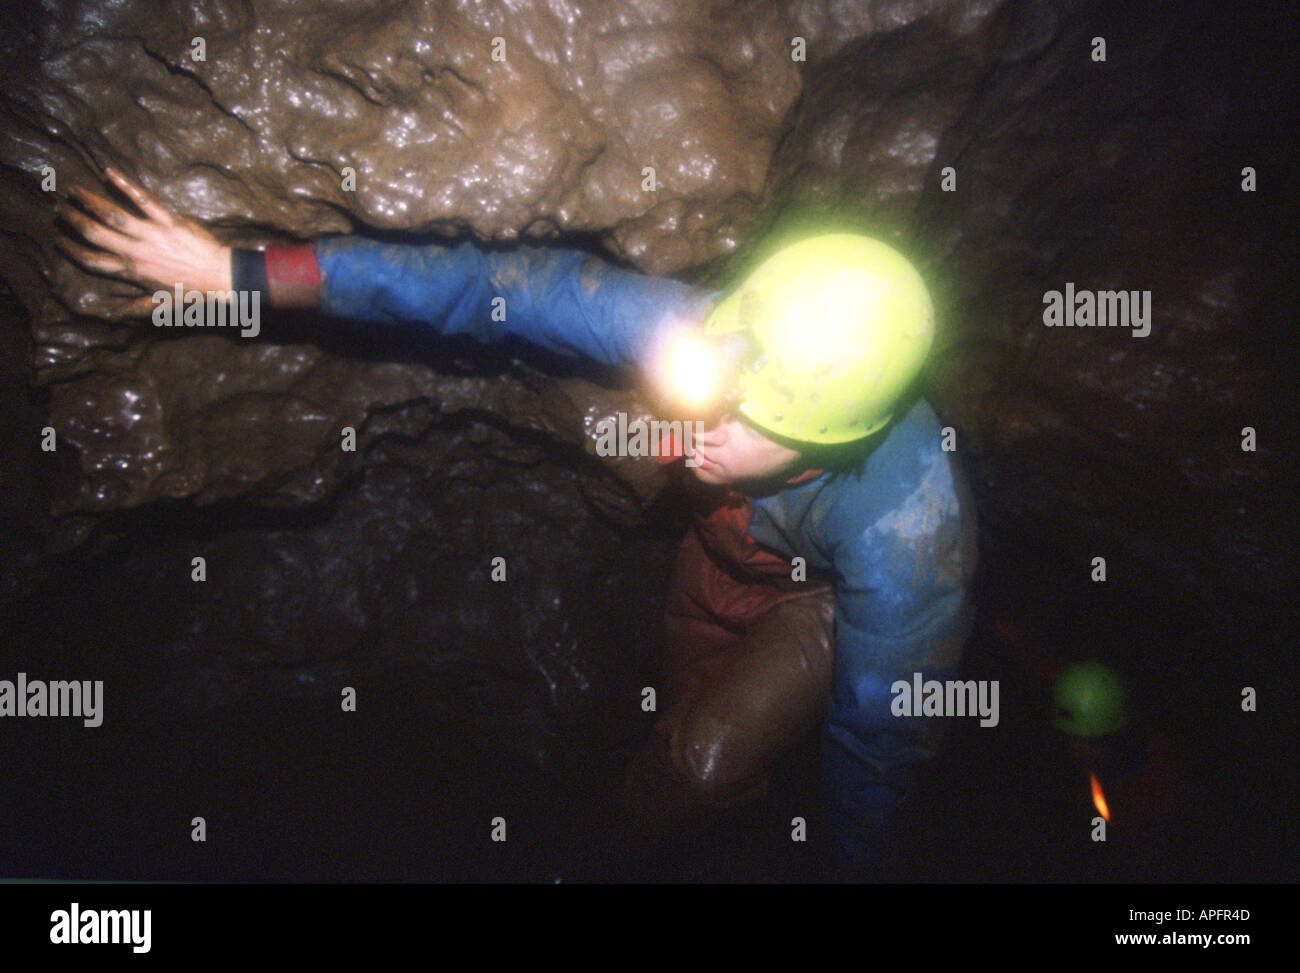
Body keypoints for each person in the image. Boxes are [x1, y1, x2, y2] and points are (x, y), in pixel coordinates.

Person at [57, 166, 978, 880]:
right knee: (683, 715)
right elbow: (493, 285)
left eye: (747, 419)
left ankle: (571, 866)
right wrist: (241, 272)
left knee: (700, 762)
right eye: (716, 384)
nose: (706, 416)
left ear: (832, 441)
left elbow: (881, 744)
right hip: (720, 547)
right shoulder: (709, 331)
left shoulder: (910, 537)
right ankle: (713, 829)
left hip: (815, 598)